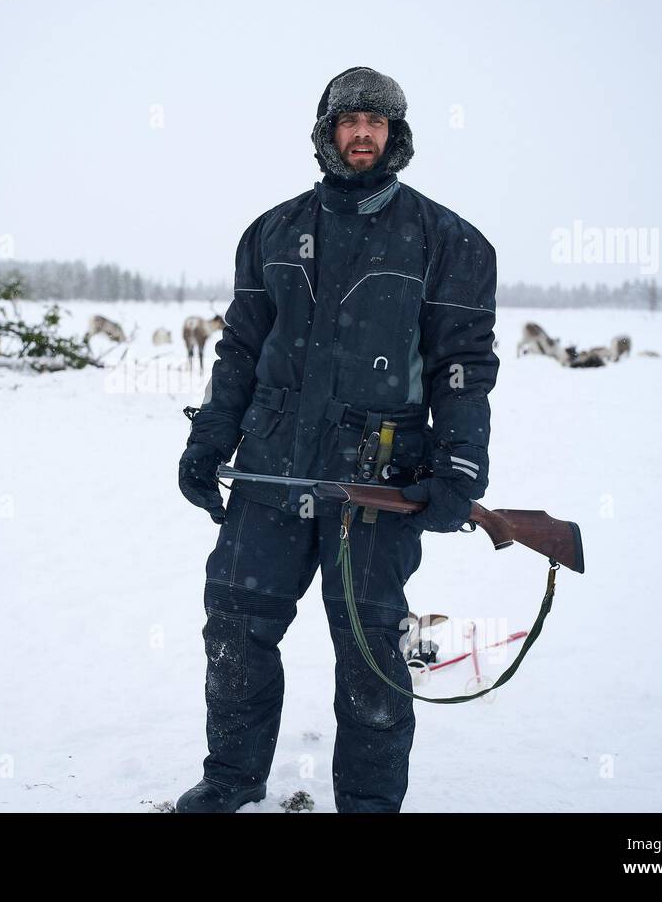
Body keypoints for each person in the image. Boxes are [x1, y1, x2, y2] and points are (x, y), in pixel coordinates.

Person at [176, 66, 500, 813]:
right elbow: (240, 350)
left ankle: (367, 803)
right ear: (325, 133)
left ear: (397, 136)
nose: (363, 133)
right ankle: (230, 781)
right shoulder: (272, 232)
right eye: (349, 121)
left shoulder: (450, 242)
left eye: (377, 123)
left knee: (368, 652)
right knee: (233, 626)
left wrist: (457, 468)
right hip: (268, 470)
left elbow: (463, 366)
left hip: (378, 482)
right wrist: (209, 439)